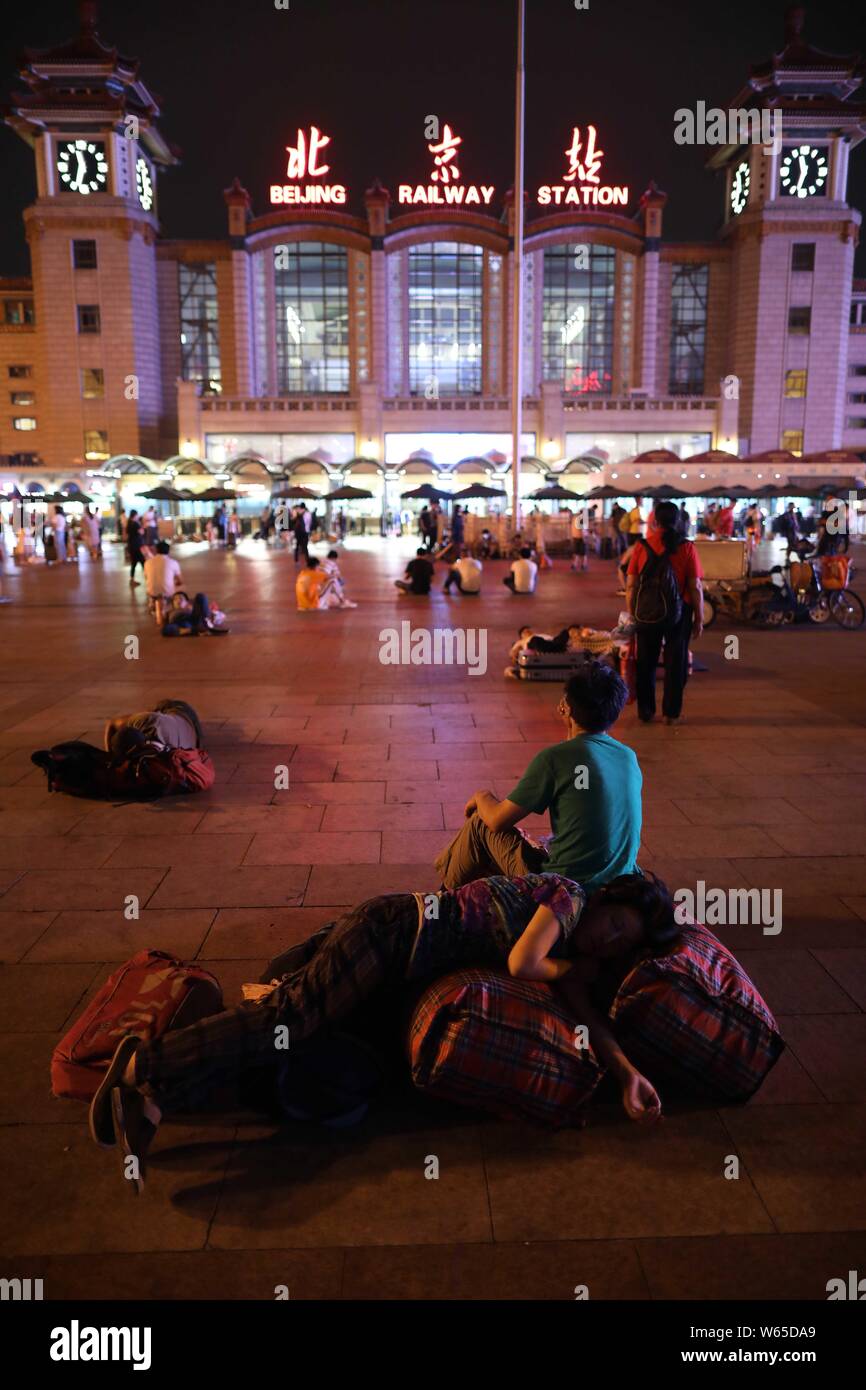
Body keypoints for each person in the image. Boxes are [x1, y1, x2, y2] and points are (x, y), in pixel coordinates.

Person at [89, 868, 678, 1187]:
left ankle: (158, 1099)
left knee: (307, 1037)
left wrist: (626, 1074)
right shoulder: (569, 896)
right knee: (288, 1021)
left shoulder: (575, 954)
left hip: (397, 963)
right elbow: (526, 962)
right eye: (618, 923)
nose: (610, 939)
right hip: (394, 931)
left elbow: (589, 1019)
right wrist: (577, 966)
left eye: (623, 942)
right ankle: (147, 1061)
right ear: (609, 900)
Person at [435, 660, 641, 892]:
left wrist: (482, 796)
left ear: (566, 707)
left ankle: (441, 903)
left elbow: (497, 820)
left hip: (566, 887)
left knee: (480, 823)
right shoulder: (628, 756)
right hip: (620, 880)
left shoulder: (556, 758)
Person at [626, 499, 704, 727]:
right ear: (678, 521)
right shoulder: (687, 547)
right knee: (675, 663)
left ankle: (646, 711)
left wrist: (633, 615)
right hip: (680, 613)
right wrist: (699, 618)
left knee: (646, 662)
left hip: (647, 611)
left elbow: (631, 585)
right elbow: (695, 586)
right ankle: (671, 713)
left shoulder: (642, 546)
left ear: (655, 522)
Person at [103, 698, 203, 755]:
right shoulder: (149, 720)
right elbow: (111, 723)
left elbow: (111, 723)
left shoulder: (146, 720)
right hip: (190, 729)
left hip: (182, 711)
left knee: (161, 710)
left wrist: (108, 757)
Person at [144, 541, 184, 623]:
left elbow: (146, 578)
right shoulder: (173, 562)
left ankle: (153, 604)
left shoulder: (147, 562)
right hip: (167, 594)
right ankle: (169, 607)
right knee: (180, 588)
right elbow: (180, 581)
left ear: (156, 550)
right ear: (168, 551)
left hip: (152, 593)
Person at [126, 509, 146, 586]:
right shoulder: (135, 524)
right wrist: (142, 526)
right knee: (143, 562)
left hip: (131, 546)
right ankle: (149, 578)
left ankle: (132, 579)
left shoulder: (129, 523)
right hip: (137, 546)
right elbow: (142, 532)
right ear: (135, 515)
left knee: (134, 563)